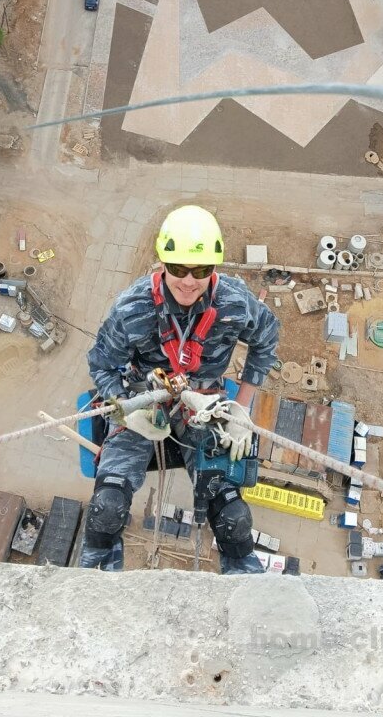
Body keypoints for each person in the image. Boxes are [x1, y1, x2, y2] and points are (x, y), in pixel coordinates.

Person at [80, 205, 280, 574]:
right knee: (106, 508)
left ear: (214, 268)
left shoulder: (234, 303)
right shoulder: (133, 308)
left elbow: (266, 341)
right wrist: (127, 406)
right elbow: (102, 365)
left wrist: (241, 407)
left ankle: (242, 576)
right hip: (145, 397)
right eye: (178, 269)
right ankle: (97, 572)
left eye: (201, 271)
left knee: (233, 517)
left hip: (203, 404)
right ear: (163, 264)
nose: (189, 281)